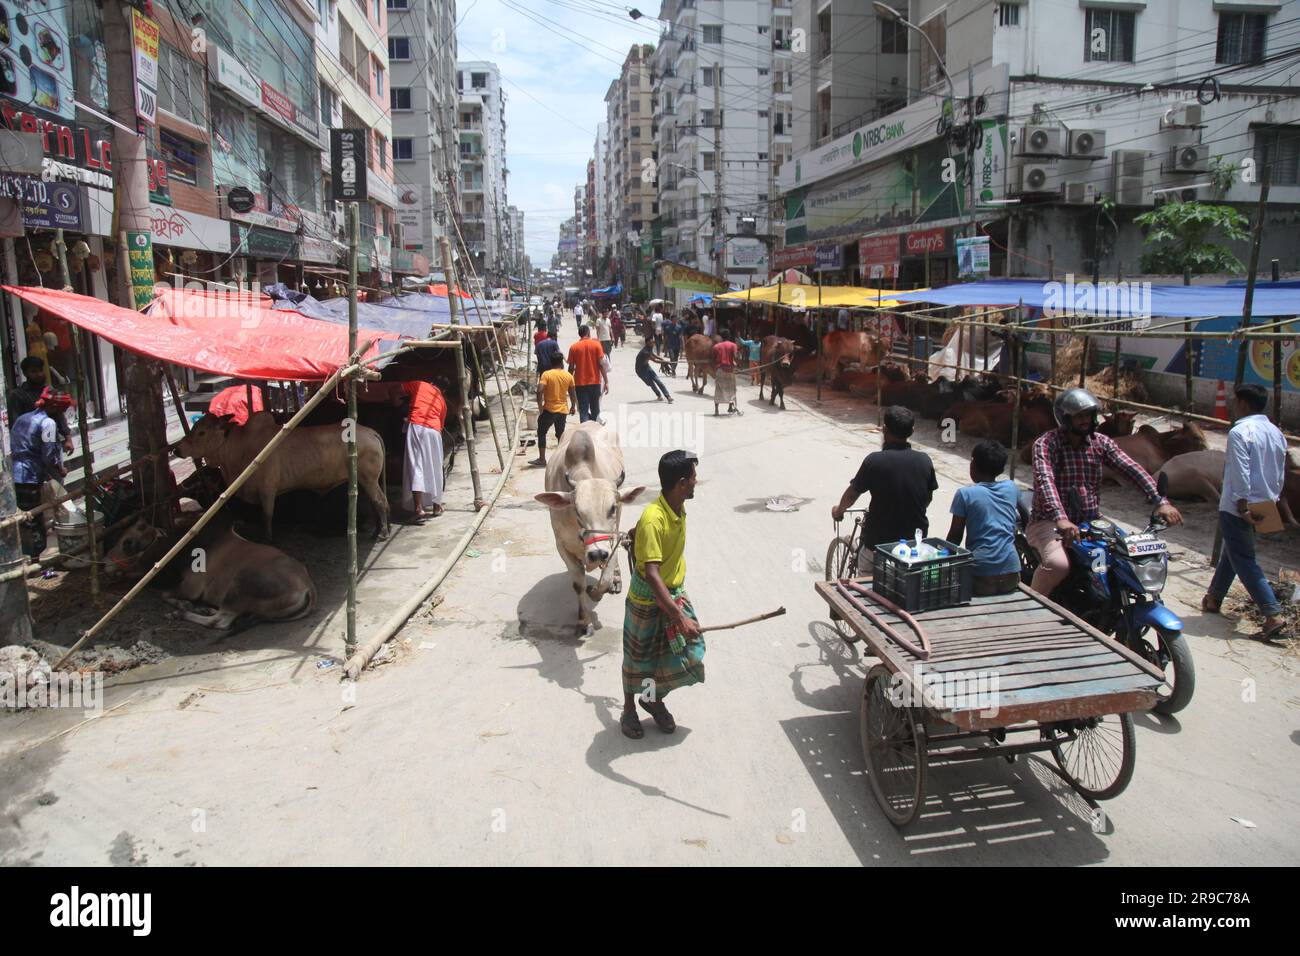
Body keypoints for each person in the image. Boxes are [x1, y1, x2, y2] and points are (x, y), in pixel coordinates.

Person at [1027, 387, 1182, 596]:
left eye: (1088, 415)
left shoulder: (1101, 442)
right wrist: (1060, 518)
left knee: (1128, 555)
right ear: (1065, 418)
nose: (1085, 420)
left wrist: (1161, 501)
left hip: (1091, 520)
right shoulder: (1046, 444)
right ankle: (1033, 603)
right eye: (1079, 416)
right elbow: (1045, 481)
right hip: (1049, 521)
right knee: (1058, 565)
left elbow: (1131, 468)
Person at [1202, 383, 1295, 640]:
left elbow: (1240, 472)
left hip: (1238, 505)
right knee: (1233, 551)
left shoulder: (1239, 432)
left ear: (1242, 403)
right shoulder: (1276, 433)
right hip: (1265, 502)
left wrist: (1242, 505)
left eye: (1235, 401)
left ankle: (1272, 614)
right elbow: (1280, 472)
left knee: (1243, 558)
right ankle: (1214, 598)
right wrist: (1272, 500)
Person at [622, 449, 703, 740]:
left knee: (685, 653)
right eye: (693, 477)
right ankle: (629, 709)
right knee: (638, 659)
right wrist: (679, 617)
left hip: (673, 593)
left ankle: (651, 699)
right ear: (681, 483)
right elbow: (653, 575)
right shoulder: (653, 519)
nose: (696, 481)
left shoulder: (676, 507)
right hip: (648, 599)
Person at [831, 406, 938, 564]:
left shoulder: (874, 461)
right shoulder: (924, 460)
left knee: (866, 571)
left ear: (884, 430)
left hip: (879, 543)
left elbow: (852, 494)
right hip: (914, 544)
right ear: (912, 431)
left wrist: (838, 511)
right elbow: (927, 498)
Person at [946, 440, 1021, 596]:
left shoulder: (965, 494)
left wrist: (942, 565)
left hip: (980, 577)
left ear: (973, 464)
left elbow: (954, 537)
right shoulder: (1011, 488)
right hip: (1011, 575)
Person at [12, 387, 72, 557]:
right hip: (30, 475)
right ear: (55, 408)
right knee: (33, 519)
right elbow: (48, 455)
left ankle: (27, 556)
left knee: (23, 519)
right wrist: (60, 468)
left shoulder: (23, 419)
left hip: (16, 474)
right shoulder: (48, 423)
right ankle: (34, 559)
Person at [399, 379, 447, 523]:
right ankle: (437, 506)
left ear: (432, 383)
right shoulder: (442, 402)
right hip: (435, 432)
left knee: (416, 465)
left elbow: (398, 389)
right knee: (435, 466)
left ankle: (418, 509)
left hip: (417, 426)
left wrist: (396, 402)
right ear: (443, 391)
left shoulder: (420, 384)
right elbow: (441, 425)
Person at [7, 355, 72, 455]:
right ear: (25, 373)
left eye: (41, 370)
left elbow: (59, 416)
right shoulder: (17, 395)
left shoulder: (49, 391)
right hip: (31, 449)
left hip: (52, 445)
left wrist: (68, 439)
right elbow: (16, 425)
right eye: (34, 371)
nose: (39, 374)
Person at [532, 353, 576, 468]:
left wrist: (540, 407)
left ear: (551, 363)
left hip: (549, 410)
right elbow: (572, 393)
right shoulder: (568, 376)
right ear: (561, 362)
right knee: (560, 435)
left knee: (542, 432)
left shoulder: (546, 374)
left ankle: (542, 459)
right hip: (563, 410)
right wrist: (573, 406)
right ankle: (561, 460)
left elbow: (539, 390)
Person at [567, 325, 608, 423]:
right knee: (595, 410)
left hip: (580, 384)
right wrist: (606, 381)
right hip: (595, 382)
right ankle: (594, 430)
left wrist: (568, 382)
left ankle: (585, 430)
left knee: (583, 411)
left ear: (579, 334)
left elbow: (571, 368)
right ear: (588, 333)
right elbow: (601, 365)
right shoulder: (596, 345)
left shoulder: (573, 347)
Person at [711, 328, 742, 416]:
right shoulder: (733, 345)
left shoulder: (716, 346)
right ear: (729, 336)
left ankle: (716, 410)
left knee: (718, 389)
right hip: (730, 370)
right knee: (731, 389)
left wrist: (715, 368)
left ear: (721, 337)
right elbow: (735, 357)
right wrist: (738, 364)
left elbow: (713, 359)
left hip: (720, 370)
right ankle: (730, 407)